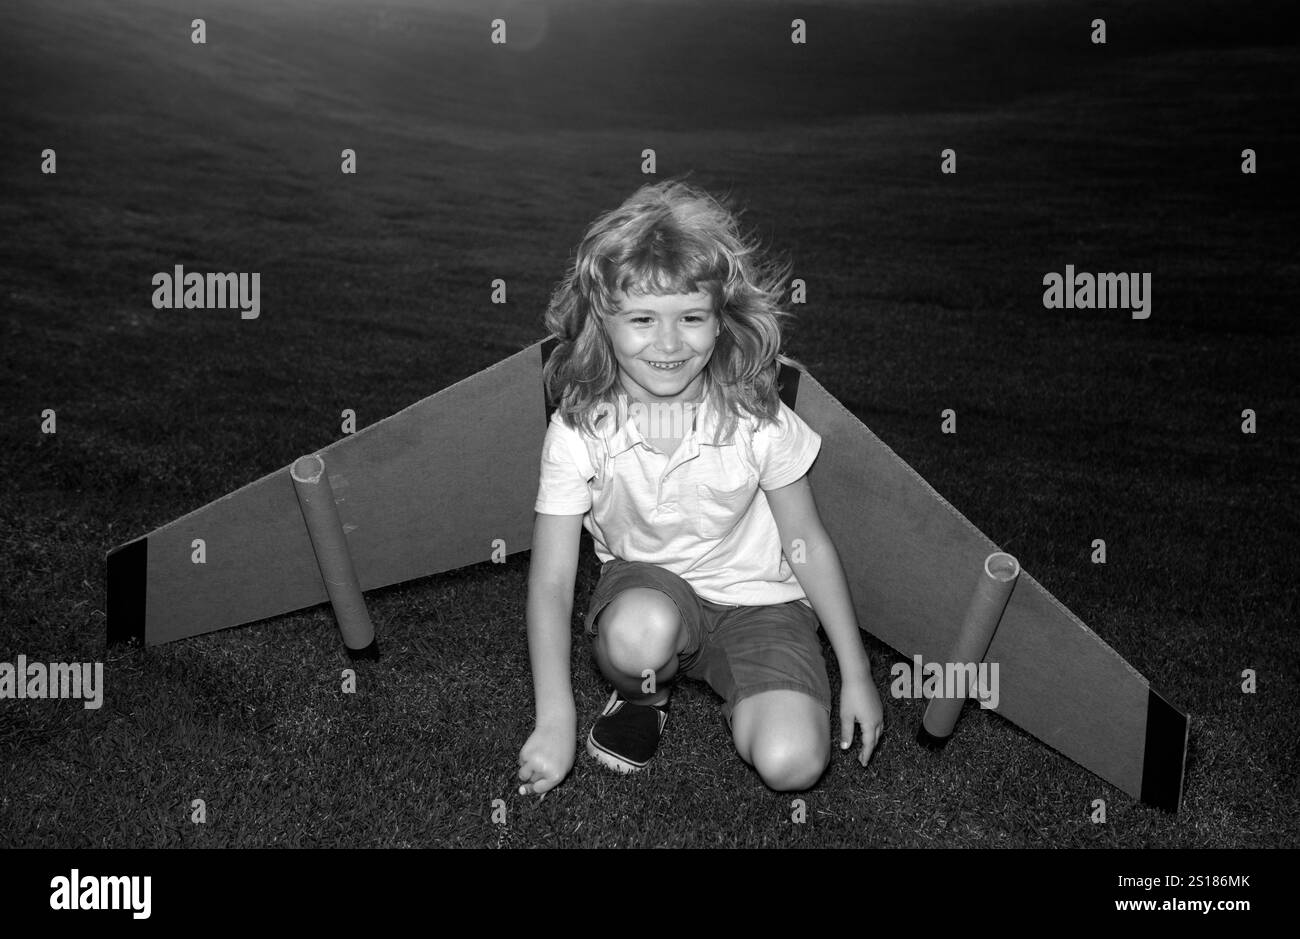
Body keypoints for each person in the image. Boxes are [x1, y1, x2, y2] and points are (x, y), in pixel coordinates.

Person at [517, 178, 883, 796]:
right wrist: (555, 719)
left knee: (793, 763)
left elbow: (805, 544)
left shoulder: (757, 417)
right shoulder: (580, 428)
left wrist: (857, 670)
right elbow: (552, 581)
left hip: (761, 606)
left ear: (721, 322)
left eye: (690, 317)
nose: (667, 343)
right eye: (641, 319)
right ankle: (642, 696)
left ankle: (747, 687)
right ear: (601, 324)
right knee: (640, 633)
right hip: (652, 594)